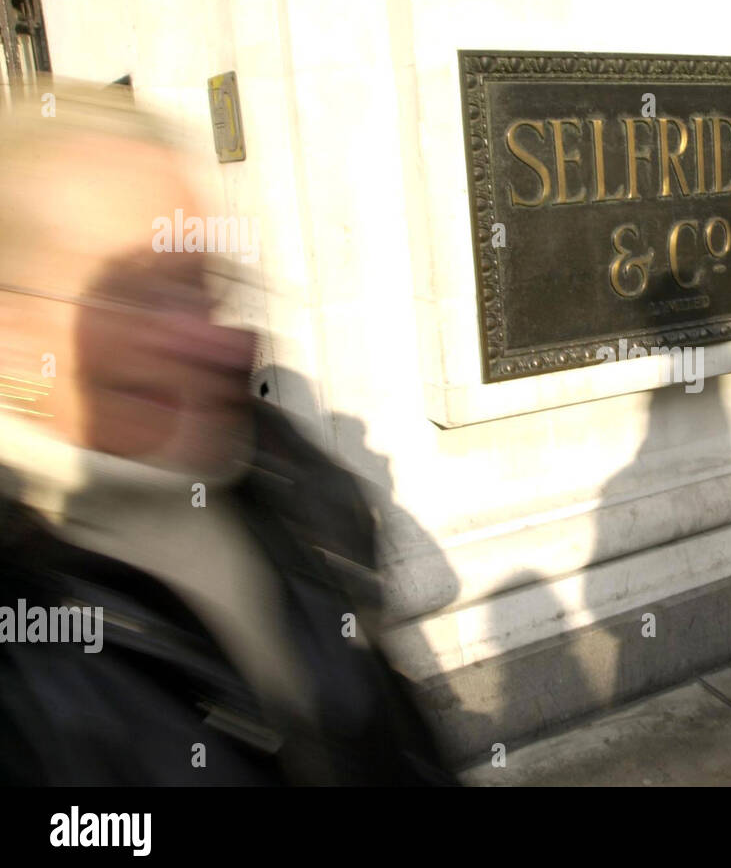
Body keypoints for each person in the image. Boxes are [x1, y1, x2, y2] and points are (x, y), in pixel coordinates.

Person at [0, 81, 456, 785]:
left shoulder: (290, 477)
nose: (220, 344)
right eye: (145, 296)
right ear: (14, 334)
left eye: (205, 286)